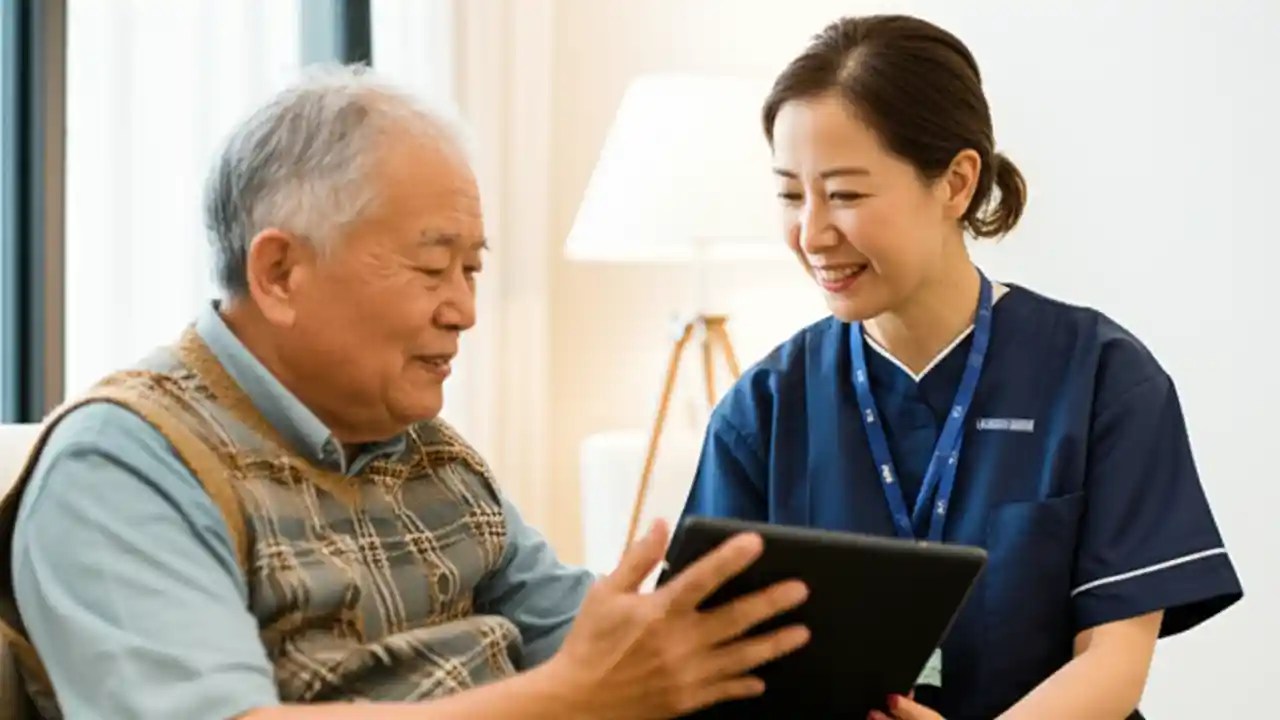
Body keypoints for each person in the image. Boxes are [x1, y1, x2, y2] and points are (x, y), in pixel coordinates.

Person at [0, 66, 812, 720]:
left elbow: (605, 653)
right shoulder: (125, 463)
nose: (463, 310)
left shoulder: (431, 455)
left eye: (471, 270)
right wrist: (568, 701)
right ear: (279, 273)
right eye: (431, 268)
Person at [681, 14, 1243, 720]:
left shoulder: (1102, 378)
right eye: (792, 195)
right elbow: (709, 666)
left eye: (846, 194)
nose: (812, 234)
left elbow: (1114, 662)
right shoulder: (764, 409)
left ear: (955, 182)